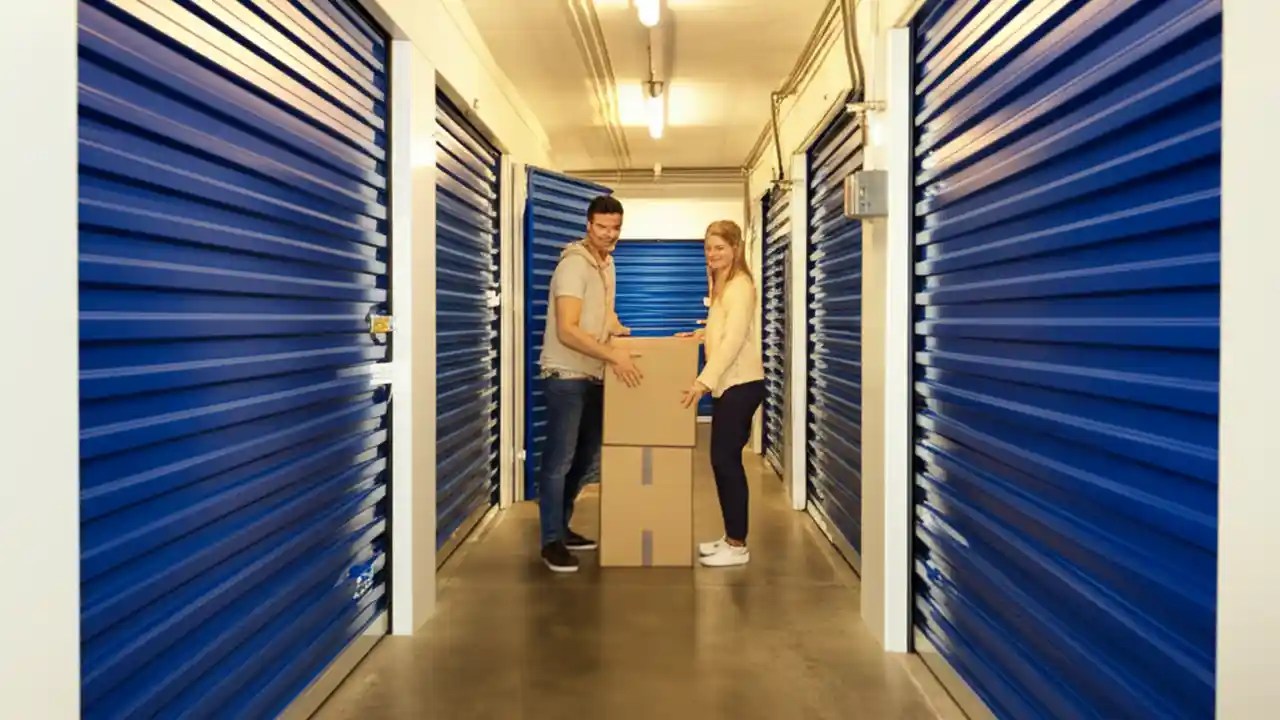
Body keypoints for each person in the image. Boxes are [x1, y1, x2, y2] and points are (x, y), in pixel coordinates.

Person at [536, 195, 642, 573]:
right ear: (588, 225)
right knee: (559, 461)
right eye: (602, 227)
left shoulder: (607, 264)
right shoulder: (573, 266)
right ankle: (550, 541)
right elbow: (567, 329)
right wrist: (614, 355)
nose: (609, 234)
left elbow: (604, 313)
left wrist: (621, 332)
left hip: (595, 376)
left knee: (583, 459)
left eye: (615, 228)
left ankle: (561, 528)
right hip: (566, 376)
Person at [679, 220, 766, 568]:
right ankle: (731, 537)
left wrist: (703, 380)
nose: (713, 254)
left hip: (740, 384)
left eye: (720, 247)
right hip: (729, 383)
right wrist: (699, 336)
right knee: (722, 462)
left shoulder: (741, 285)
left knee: (725, 462)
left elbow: (733, 341)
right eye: (709, 248)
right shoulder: (722, 284)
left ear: (735, 248)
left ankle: (738, 545)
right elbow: (724, 330)